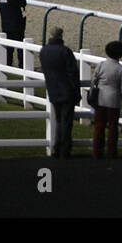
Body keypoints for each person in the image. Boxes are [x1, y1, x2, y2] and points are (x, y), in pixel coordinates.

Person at [39, 27, 79, 159]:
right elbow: (72, 73)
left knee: (58, 121)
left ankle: (57, 149)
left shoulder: (44, 51)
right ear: (61, 36)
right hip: (66, 90)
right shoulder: (65, 51)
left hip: (53, 90)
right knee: (66, 122)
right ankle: (64, 150)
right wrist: (77, 92)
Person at [90, 40, 122, 160]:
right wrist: (120, 96)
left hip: (100, 99)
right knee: (113, 127)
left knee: (99, 126)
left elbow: (94, 81)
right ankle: (112, 152)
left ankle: (97, 152)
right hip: (114, 100)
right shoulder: (121, 68)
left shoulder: (101, 65)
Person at [0, 0, 27, 68]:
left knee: (8, 48)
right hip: (17, 25)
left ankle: (8, 65)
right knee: (20, 47)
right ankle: (22, 66)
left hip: (5, 25)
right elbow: (23, 3)